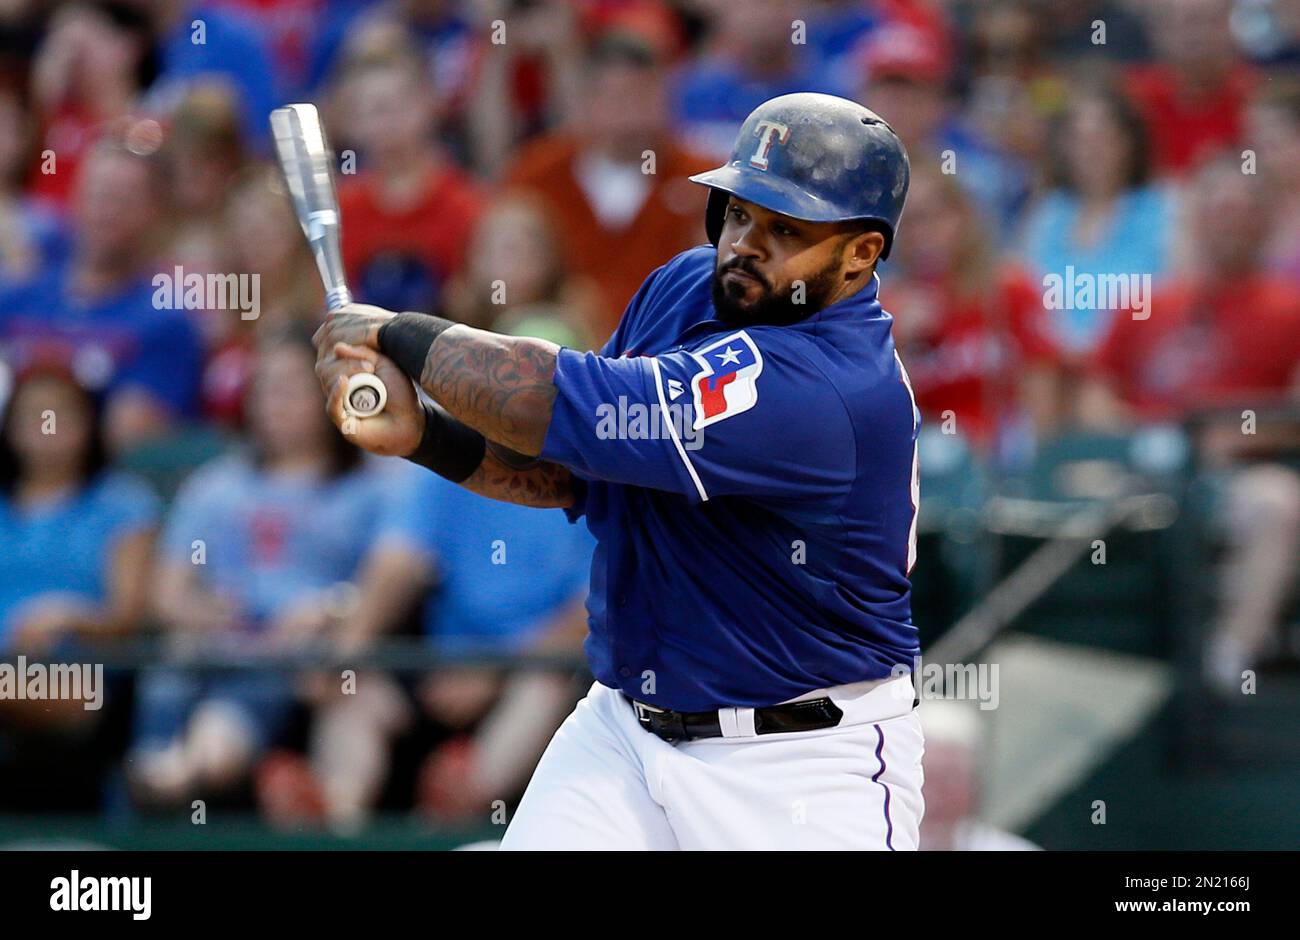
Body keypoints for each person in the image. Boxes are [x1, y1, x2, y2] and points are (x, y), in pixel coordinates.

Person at [313, 92, 925, 850]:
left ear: (862, 252)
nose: (745, 244)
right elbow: (576, 468)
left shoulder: (835, 388)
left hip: (797, 763)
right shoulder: (683, 287)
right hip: (623, 730)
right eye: (739, 213)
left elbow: (550, 398)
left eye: (785, 228)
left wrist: (395, 332)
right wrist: (427, 438)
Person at [128, 329, 392, 808]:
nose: (276, 401)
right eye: (265, 387)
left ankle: (197, 764)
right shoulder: (216, 486)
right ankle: (156, 766)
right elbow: (167, 590)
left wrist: (331, 610)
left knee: (273, 661)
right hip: (219, 641)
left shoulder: (370, 488)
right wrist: (203, 612)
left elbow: (389, 585)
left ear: (329, 395)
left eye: (292, 387)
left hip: (305, 652)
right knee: (176, 658)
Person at [1081, 156, 1300, 694]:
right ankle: (1082, 665)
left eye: (1244, 209)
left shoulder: (1289, 309)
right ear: (1195, 217)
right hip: (1136, 466)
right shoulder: (1145, 303)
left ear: (1269, 221)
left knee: (1277, 504)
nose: (1229, 220)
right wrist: (1127, 433)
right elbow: (1094, 393)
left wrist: (1233, 438)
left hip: (1232, 473)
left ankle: (1226, 664)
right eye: (1218, 207)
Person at [503, 30, 712, 341]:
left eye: (642, 95)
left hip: (670, 351)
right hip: (552, 349)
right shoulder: (534, 177)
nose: (628, 112)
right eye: (615, 97)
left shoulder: (704, 180)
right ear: (585, 100)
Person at [0, 136, 204, 451]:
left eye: (123, 200)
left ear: (155, 213)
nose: (106, 211)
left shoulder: (165, 322)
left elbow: (129, 440)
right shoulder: (18, 298)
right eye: (97, 195)